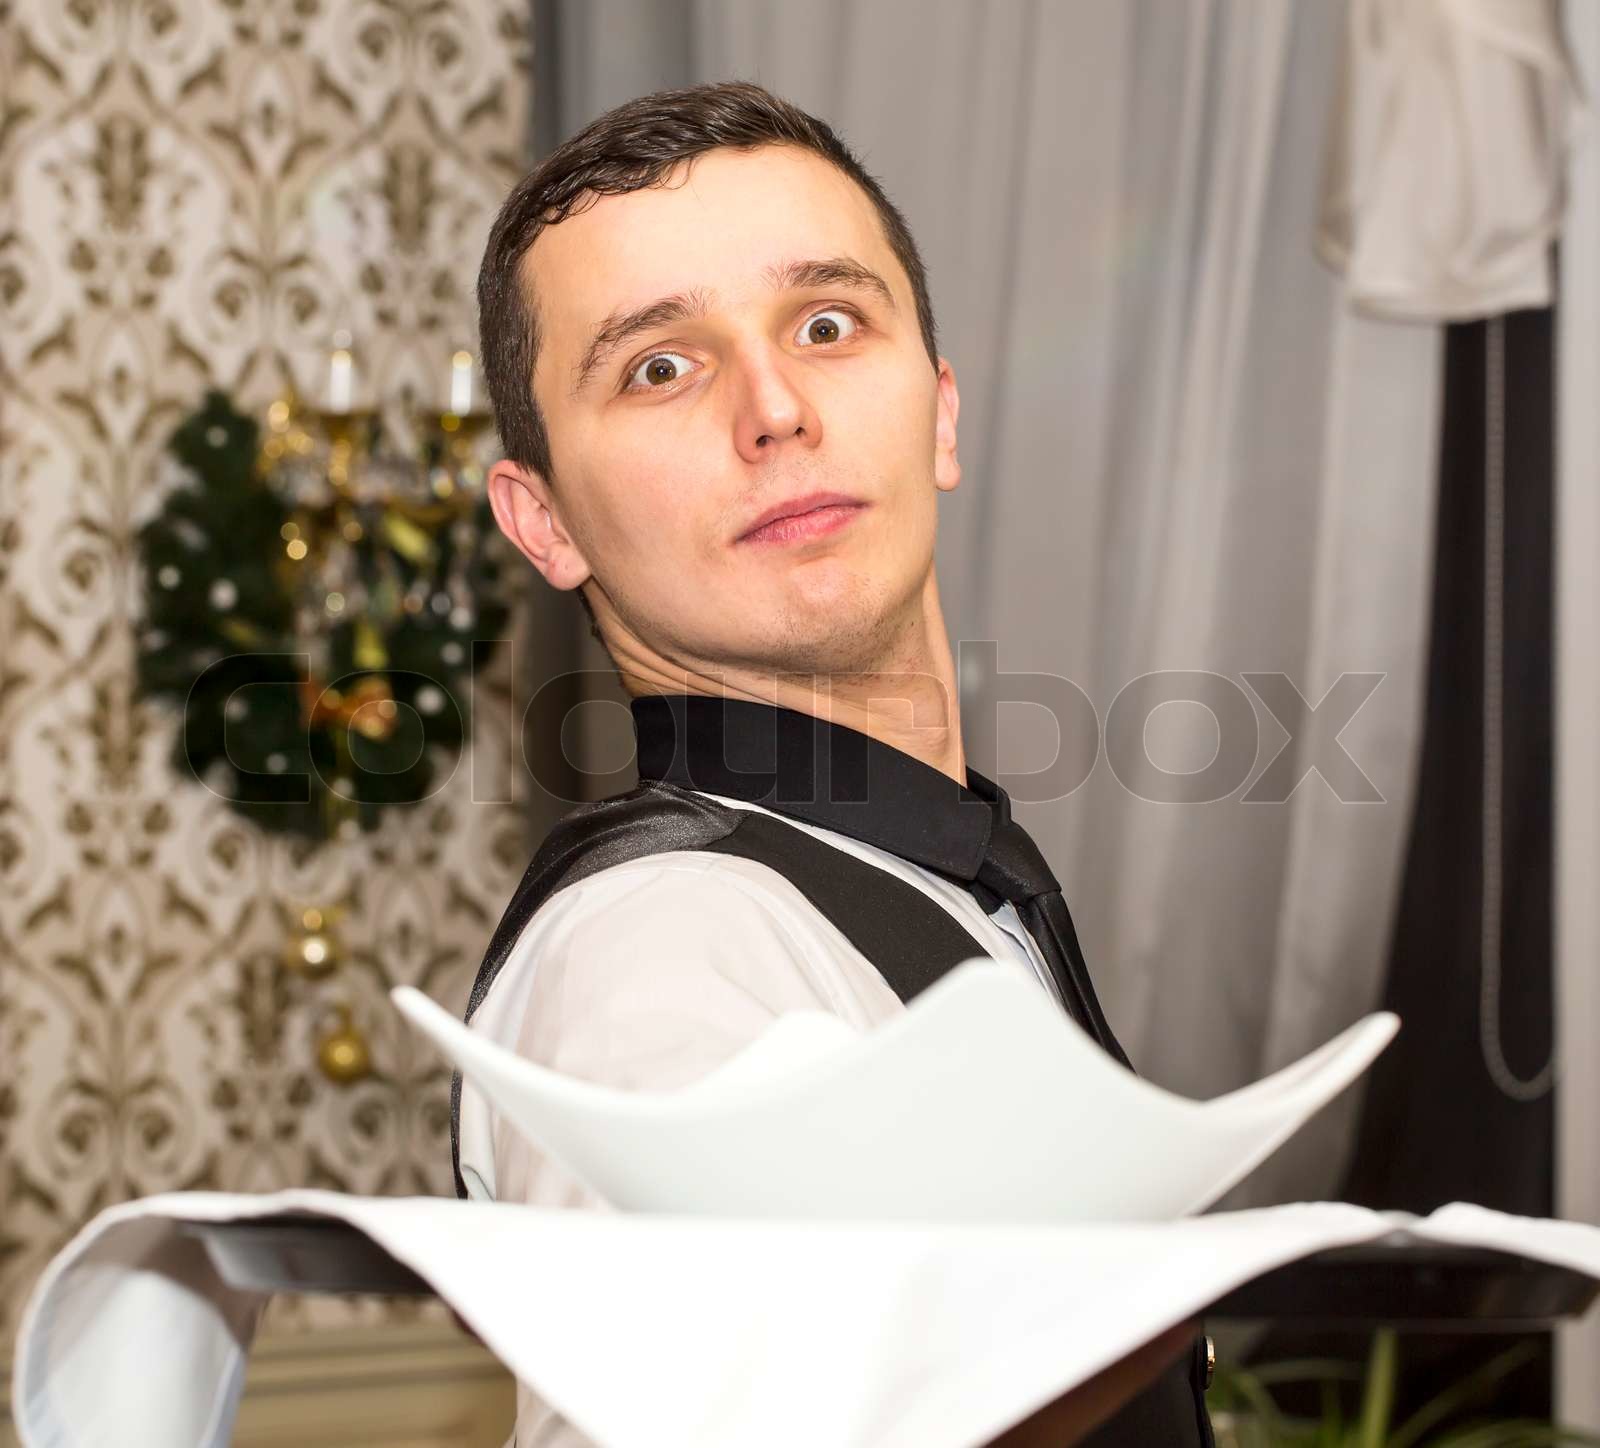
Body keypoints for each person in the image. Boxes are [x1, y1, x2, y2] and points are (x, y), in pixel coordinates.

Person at [458, 80, 1216, 1448]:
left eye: (825, 324)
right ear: (545, 520)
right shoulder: (664, 949)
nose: (775, 405)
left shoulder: (930, 887)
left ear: (937, 414)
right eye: (660, 365)